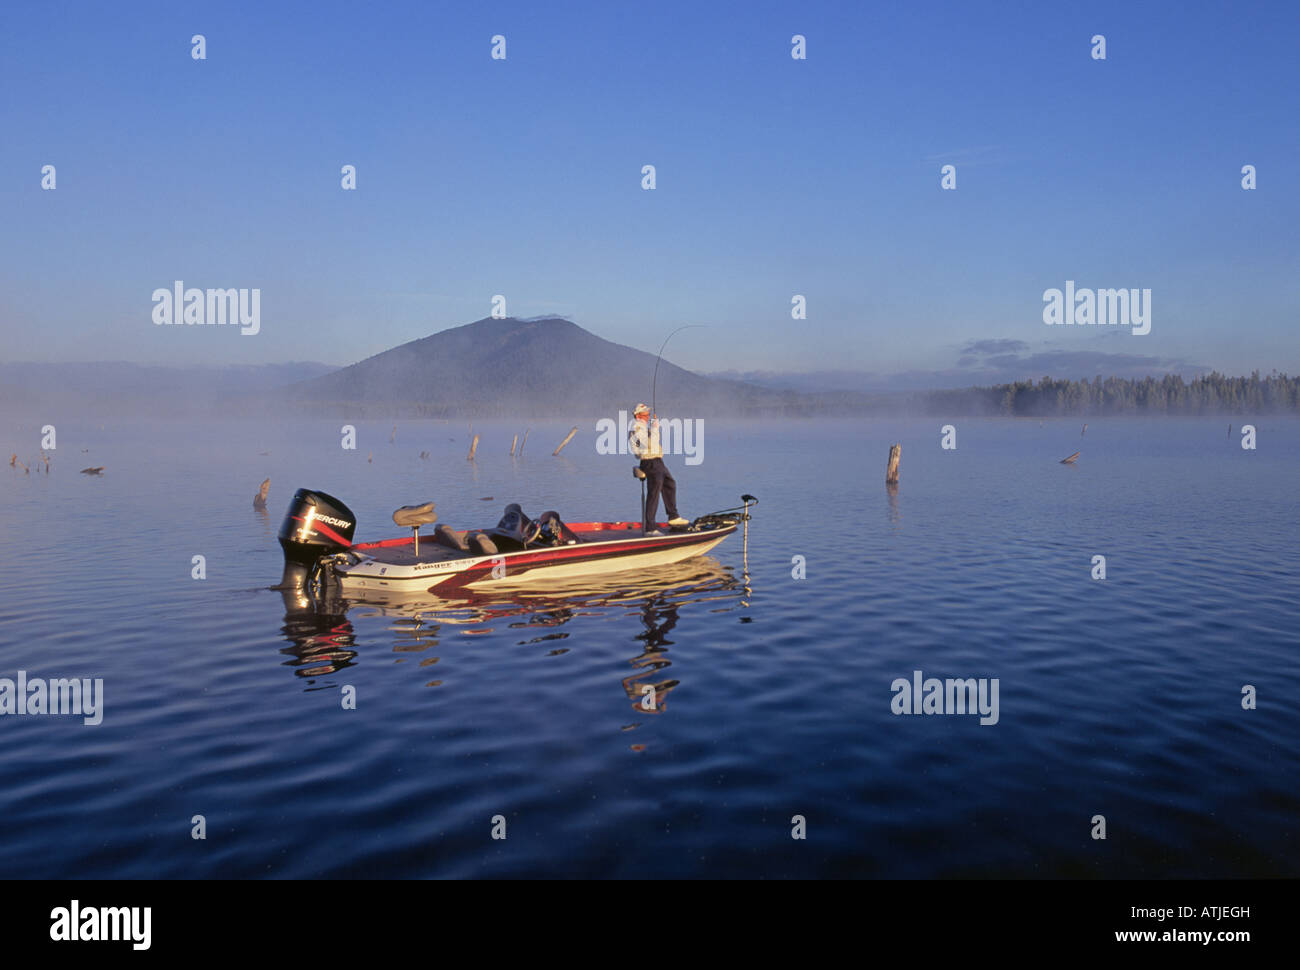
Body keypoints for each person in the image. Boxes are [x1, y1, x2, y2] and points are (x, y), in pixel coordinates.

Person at [628, 403, 688, 535]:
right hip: (650, 462)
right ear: (638, 415)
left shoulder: (642, 427)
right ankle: (650, 528)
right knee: (654, 493)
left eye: (648, 414)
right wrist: (655, 428)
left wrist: (652, 427)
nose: (648, 416)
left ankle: (673, 517)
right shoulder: (637, 427)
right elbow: (650, 444)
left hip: (657, 461)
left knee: (670, 484)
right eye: (645, 414)